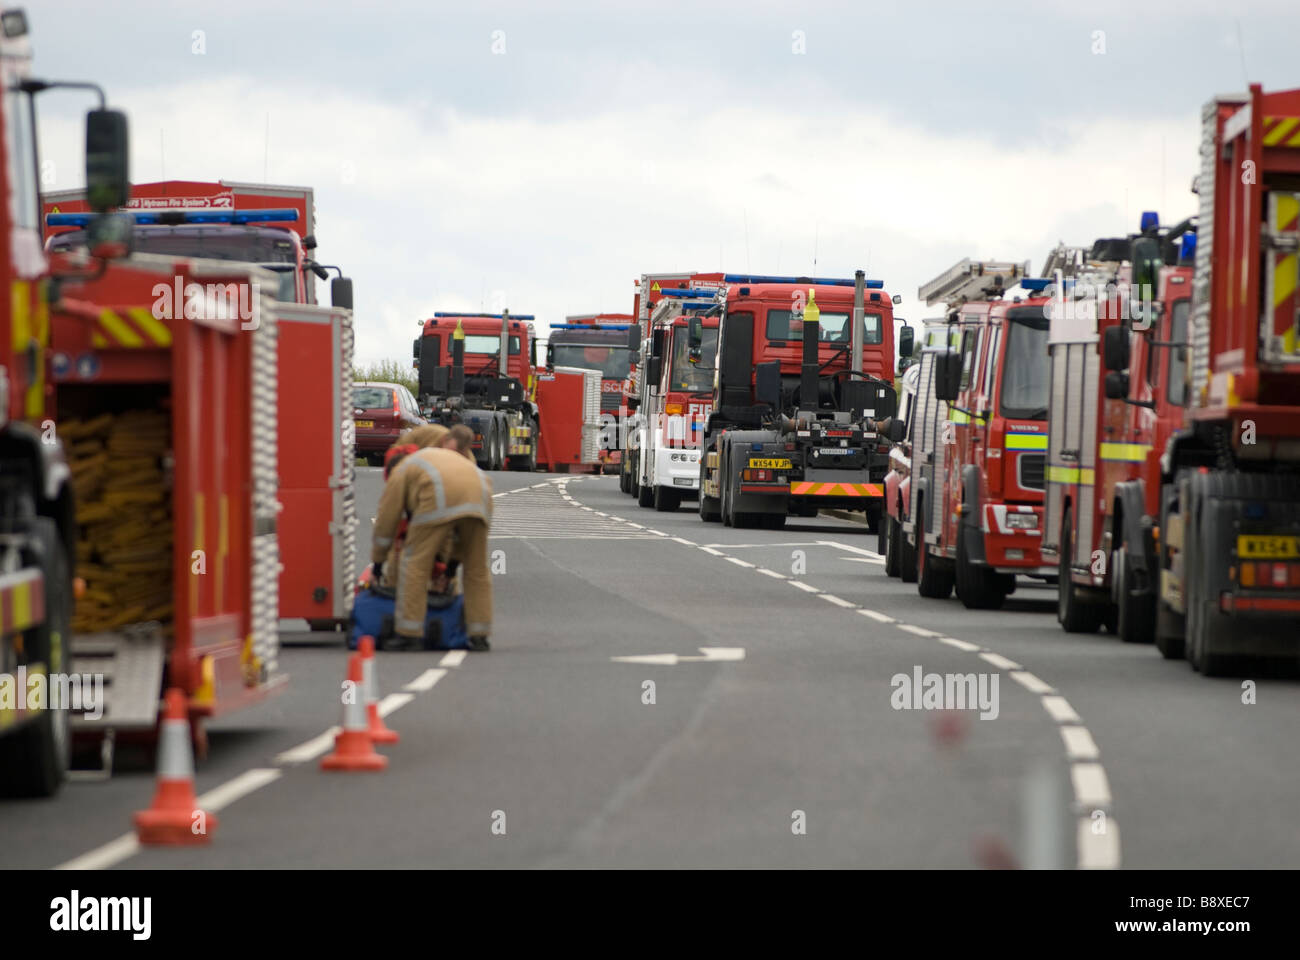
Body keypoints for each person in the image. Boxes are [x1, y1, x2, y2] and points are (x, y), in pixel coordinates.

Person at [372, 446, 494, 651]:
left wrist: (378, 562)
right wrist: (450, 569)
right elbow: (456, 539)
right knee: (477, 567)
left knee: (414, 561)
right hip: (481, 491)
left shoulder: (400, 472)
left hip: (440, 493)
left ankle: (409, 633)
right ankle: (479, 635)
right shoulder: (425, 461)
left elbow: (386, 521)